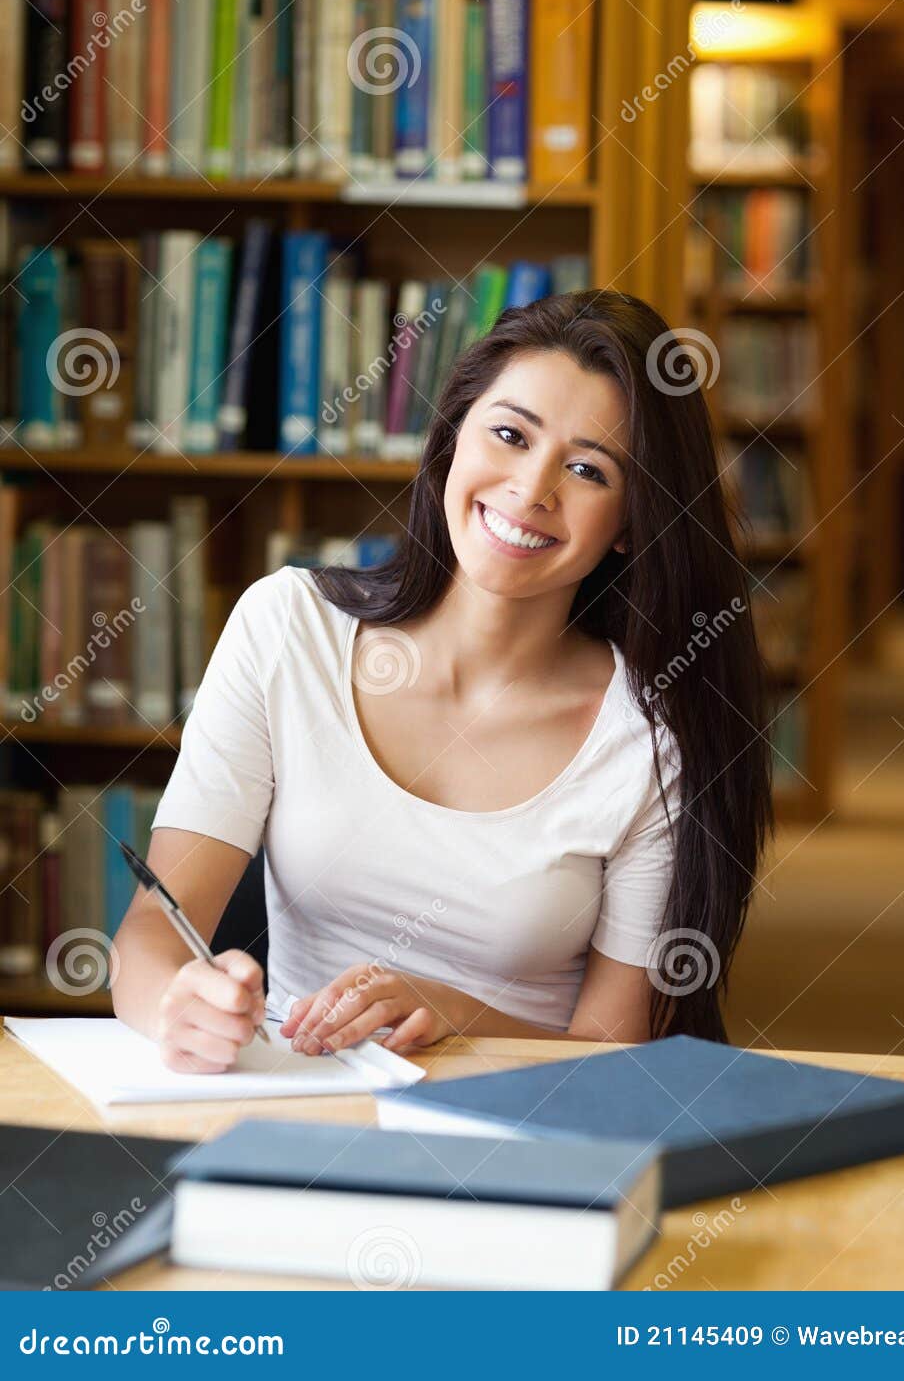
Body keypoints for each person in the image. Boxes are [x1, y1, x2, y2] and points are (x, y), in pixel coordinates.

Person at [111, 290, 771, 1073]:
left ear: (631, 521)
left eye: (588, 469)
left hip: (521, 1127)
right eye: (508, 435)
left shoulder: (652, 738)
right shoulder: (287, 628)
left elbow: (615, 1050)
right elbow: (154, 932)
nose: (531, 489)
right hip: (289, 1102)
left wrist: (450, 1008)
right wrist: (174, 1006)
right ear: (452, 438)